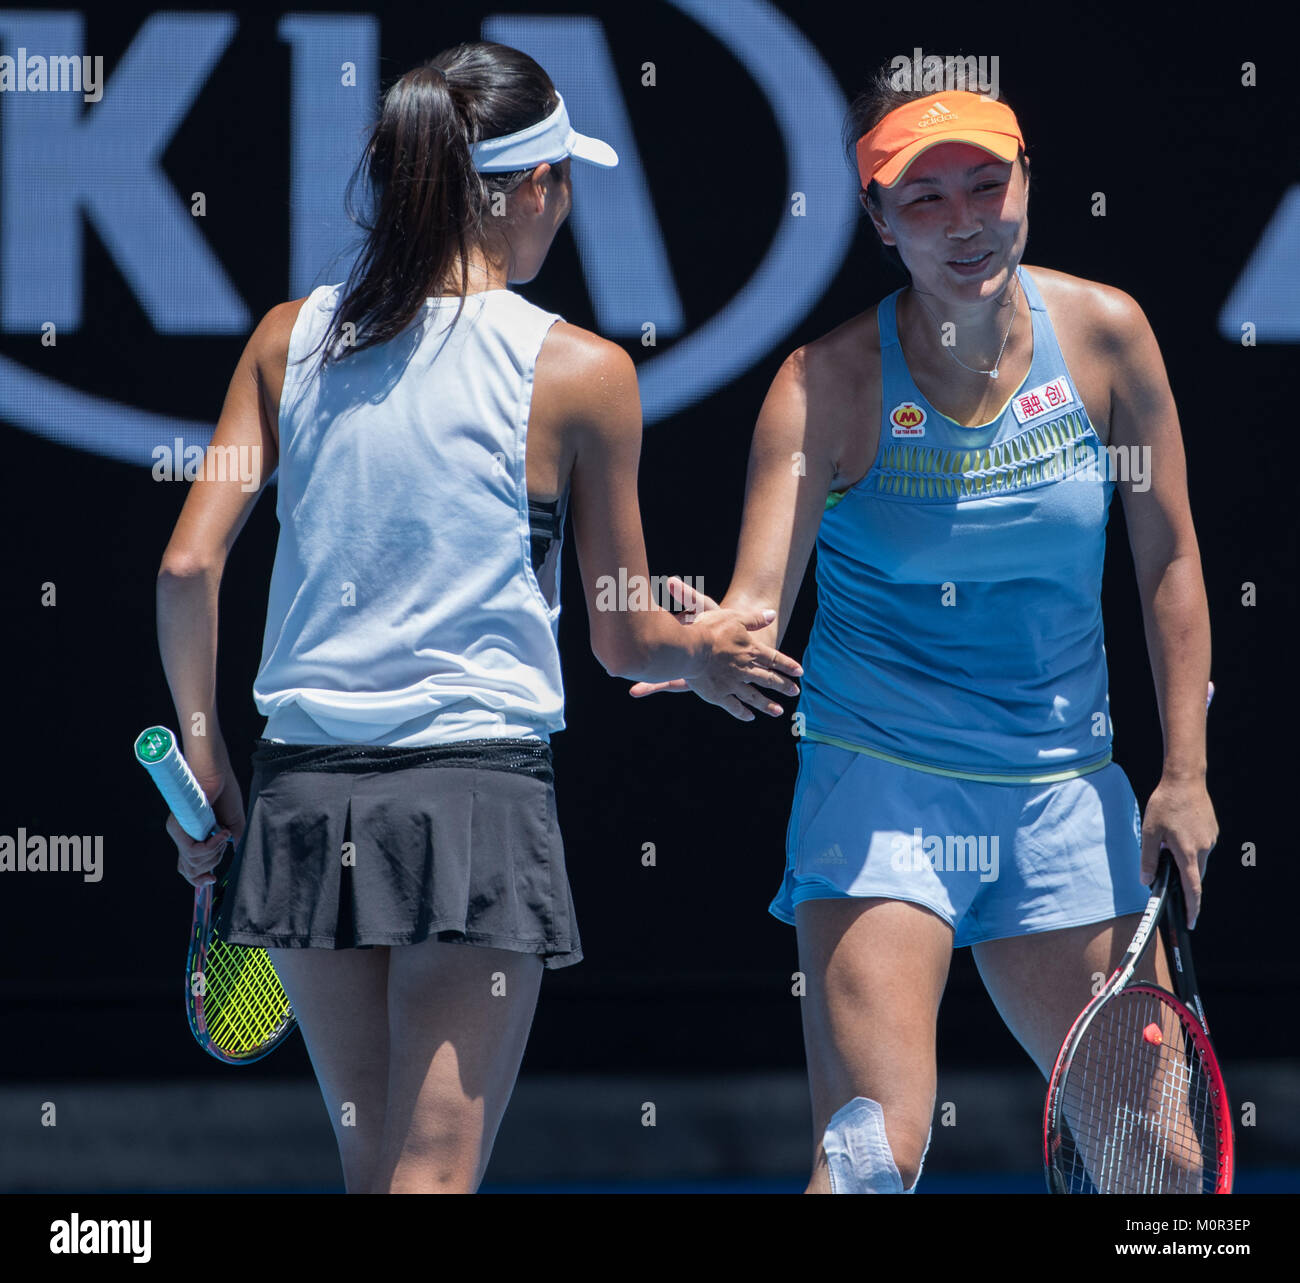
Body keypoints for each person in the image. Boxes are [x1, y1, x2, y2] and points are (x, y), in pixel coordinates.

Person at [155, 41, 801, 1194]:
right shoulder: (583, 372)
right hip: (471, 802)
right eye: (566, 182)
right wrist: (702, 652)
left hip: (304, 797)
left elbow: (187, 567)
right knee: (435, 1176)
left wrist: (205, 756)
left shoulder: (281, 339)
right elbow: (618, 635)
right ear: (539, 187)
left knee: (378, 1174)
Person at [631, 70, 1218, 1193]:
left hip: (1061, 788)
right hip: (881, 789)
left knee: (1159, 1167)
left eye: (985, 186)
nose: (964, 223)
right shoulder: (823, 386)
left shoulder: (1105, 338)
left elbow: (1173, 564)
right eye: (925, 200)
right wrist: (701, 648)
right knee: (867, 1159)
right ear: (877, 221)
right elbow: (756, 604)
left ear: (1027, 184)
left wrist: (1182, 773)